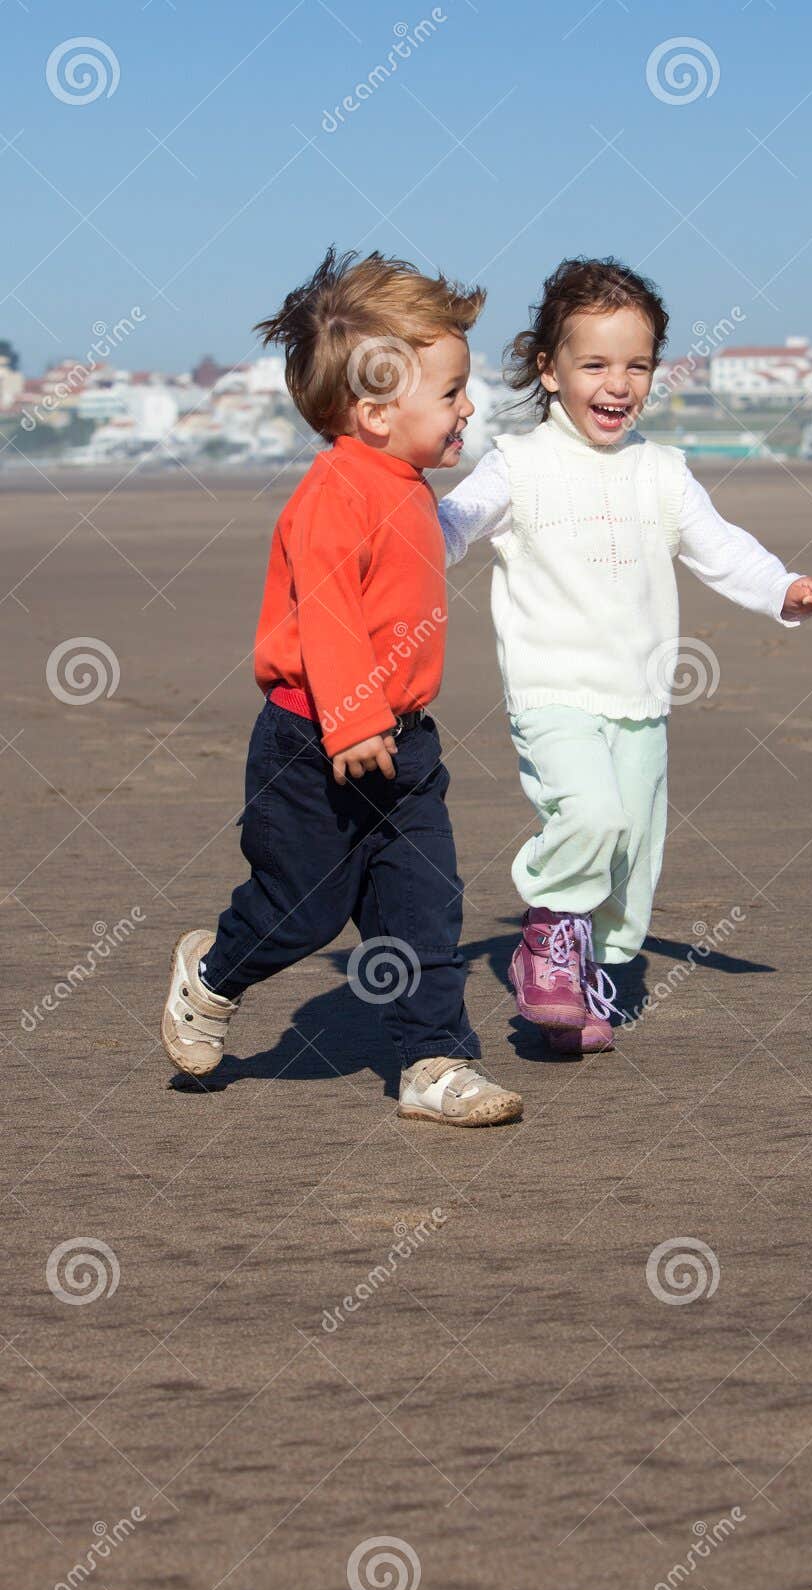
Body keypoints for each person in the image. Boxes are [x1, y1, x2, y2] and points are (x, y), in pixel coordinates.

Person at [438, 257, 812, 1055]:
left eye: (636, 365)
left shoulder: (662, 473)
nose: (616, 383)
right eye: (593, 364)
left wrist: (781, 587)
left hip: (640, 695)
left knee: (631, 857)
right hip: (552, 690)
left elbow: (721, 549)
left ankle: (581, 976)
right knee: (590, 816)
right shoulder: (520, 464)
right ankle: (545, 936)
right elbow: (456, 521)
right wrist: (405, 540)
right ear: (548, 370)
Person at [161, 247, 522, 1126]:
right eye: (449, 393)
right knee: (301, 912)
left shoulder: (405, 485)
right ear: (371, 412)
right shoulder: (335, 491)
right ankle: (211, 975)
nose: (467, 405)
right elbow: (325, 618)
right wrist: (351, 718)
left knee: (424, 910)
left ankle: (434, 1063)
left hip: (403, 746)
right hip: (309, 745)